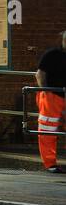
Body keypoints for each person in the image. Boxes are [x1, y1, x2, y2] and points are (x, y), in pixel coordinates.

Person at [35, 31, 66, 173]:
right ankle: (50, 163)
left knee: (49, 129)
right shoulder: (52, 54)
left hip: (57, 94)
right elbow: (40, 74)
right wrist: (46, 91)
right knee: (48, 129)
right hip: (52, 95)